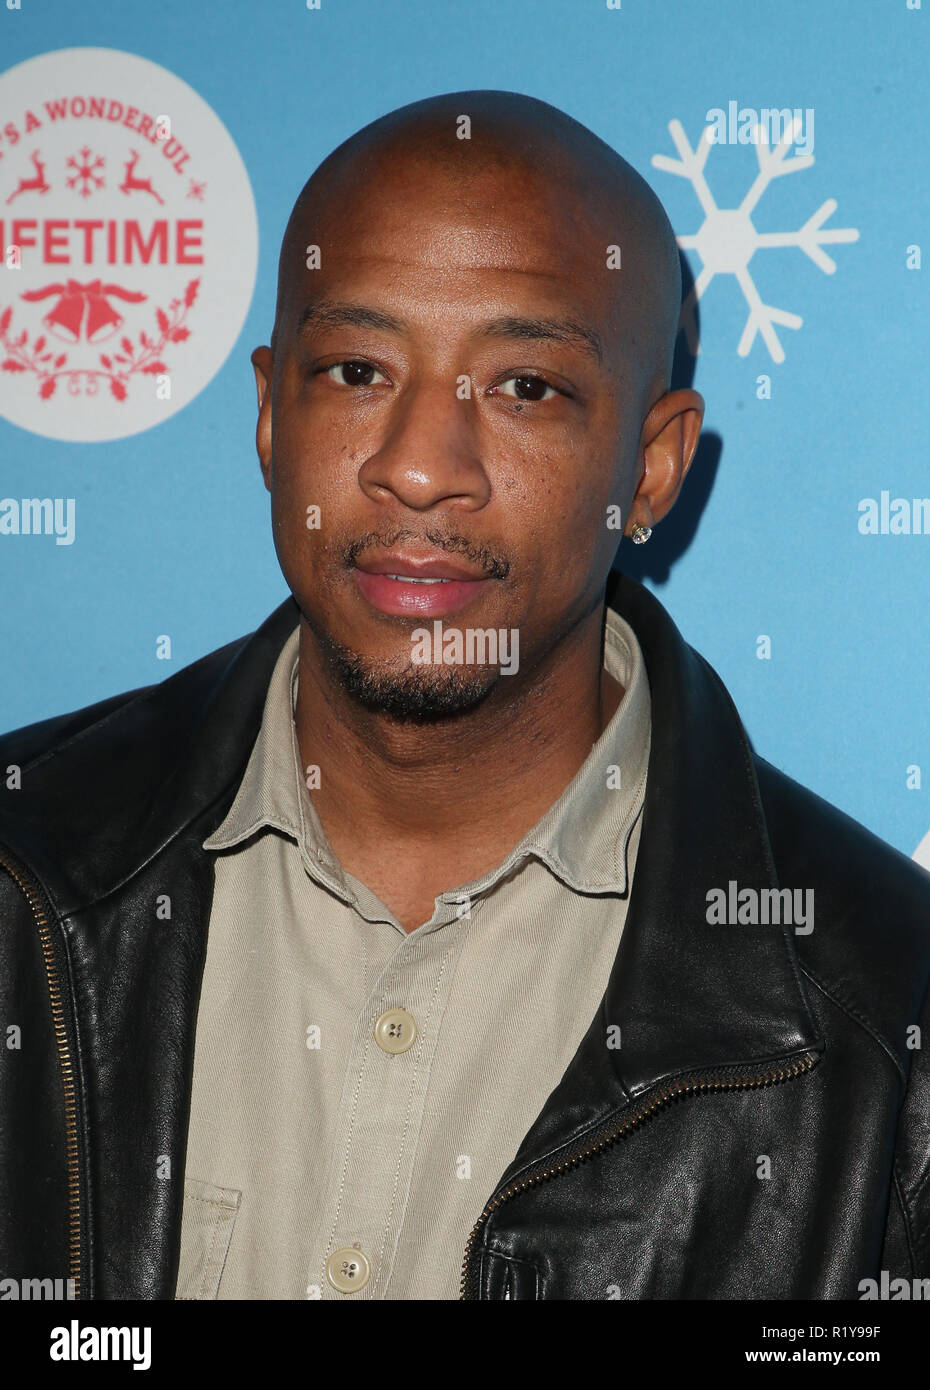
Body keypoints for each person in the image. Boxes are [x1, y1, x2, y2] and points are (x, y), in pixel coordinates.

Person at [1, 90, 928, 1302]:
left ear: (649, 468)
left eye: (525, 387)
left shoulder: (889, 1023)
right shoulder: (24, 865)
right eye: (357, 368)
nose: (420, 465)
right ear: (274, 416)